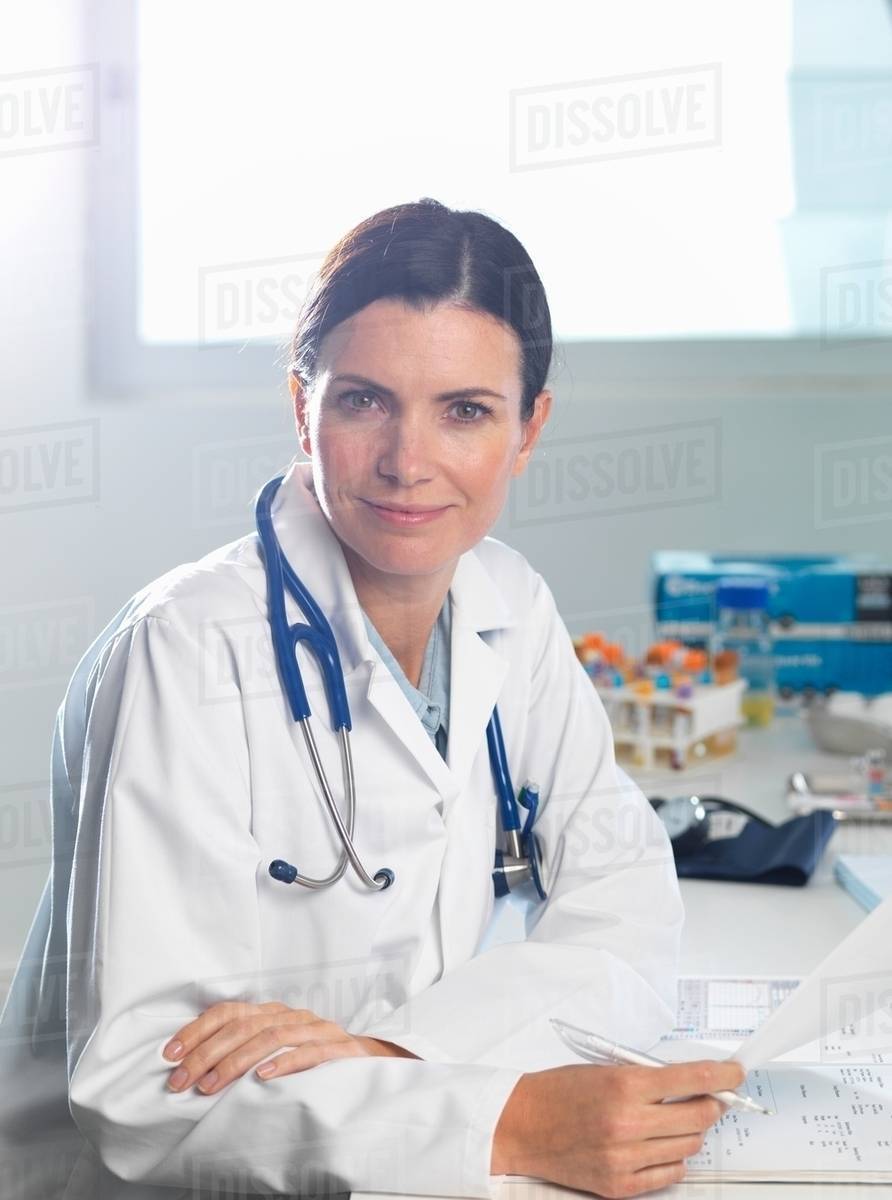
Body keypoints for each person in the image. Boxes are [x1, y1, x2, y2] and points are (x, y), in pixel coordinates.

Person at [0, 198, 743, 1200]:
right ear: (301, 407)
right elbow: (141, 1091)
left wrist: (397, 1055)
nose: (407, 460)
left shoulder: (507, 609)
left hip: (383, 1157)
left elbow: (628, 912)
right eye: (363, 402)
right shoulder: (182, 650)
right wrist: (502, 1119)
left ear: (530, 429)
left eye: (466, 411)